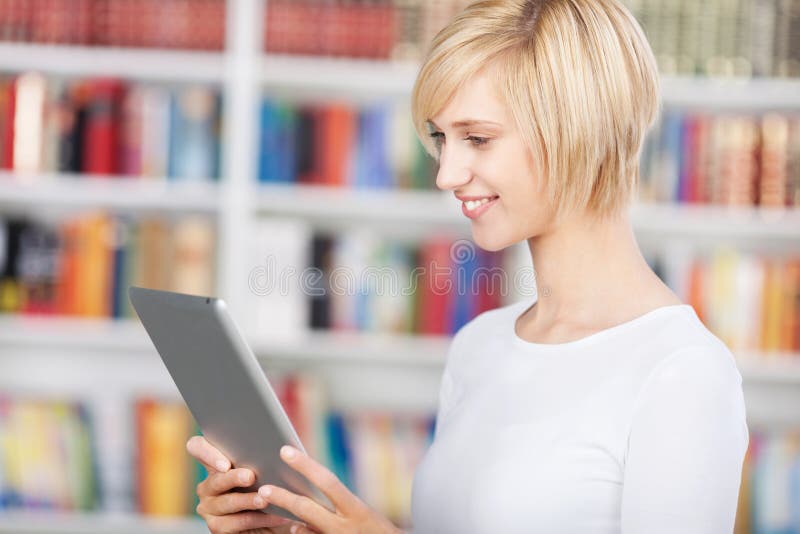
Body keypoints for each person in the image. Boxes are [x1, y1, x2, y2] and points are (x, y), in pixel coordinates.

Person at [186, 0, 749, 532]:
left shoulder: (683, 372)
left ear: (579, 131)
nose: (446, 174)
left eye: (477, 138)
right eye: (440, 138)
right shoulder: (480, 345)